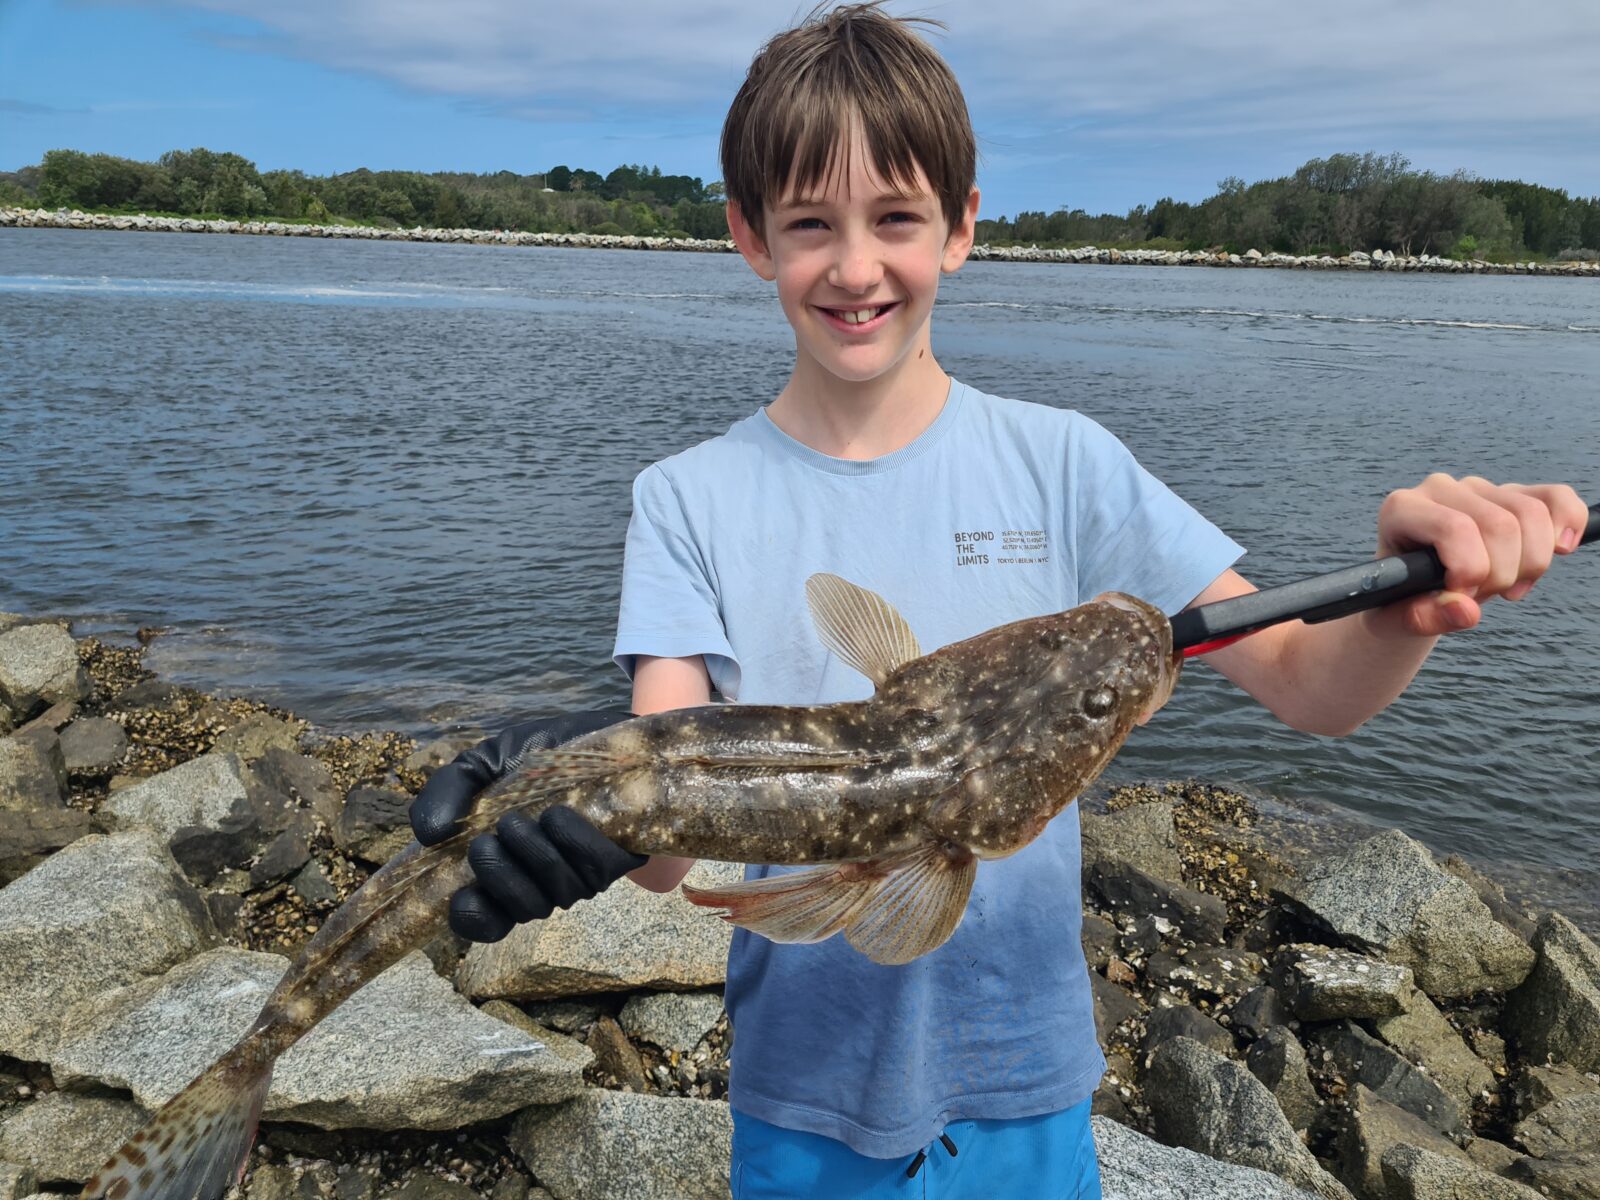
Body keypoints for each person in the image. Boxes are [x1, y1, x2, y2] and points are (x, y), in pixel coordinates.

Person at [410, 5, 1589, 1196]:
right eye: (811, 225)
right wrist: (572, 815)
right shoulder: (686, 498)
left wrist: (1404, 606)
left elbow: (1304, 681)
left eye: (898, 220)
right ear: (750, 236)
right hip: (804, 1100)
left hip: (1028, 1092)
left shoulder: (1062, 463)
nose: (856, 265)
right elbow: (668, 843)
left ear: (962, 227)